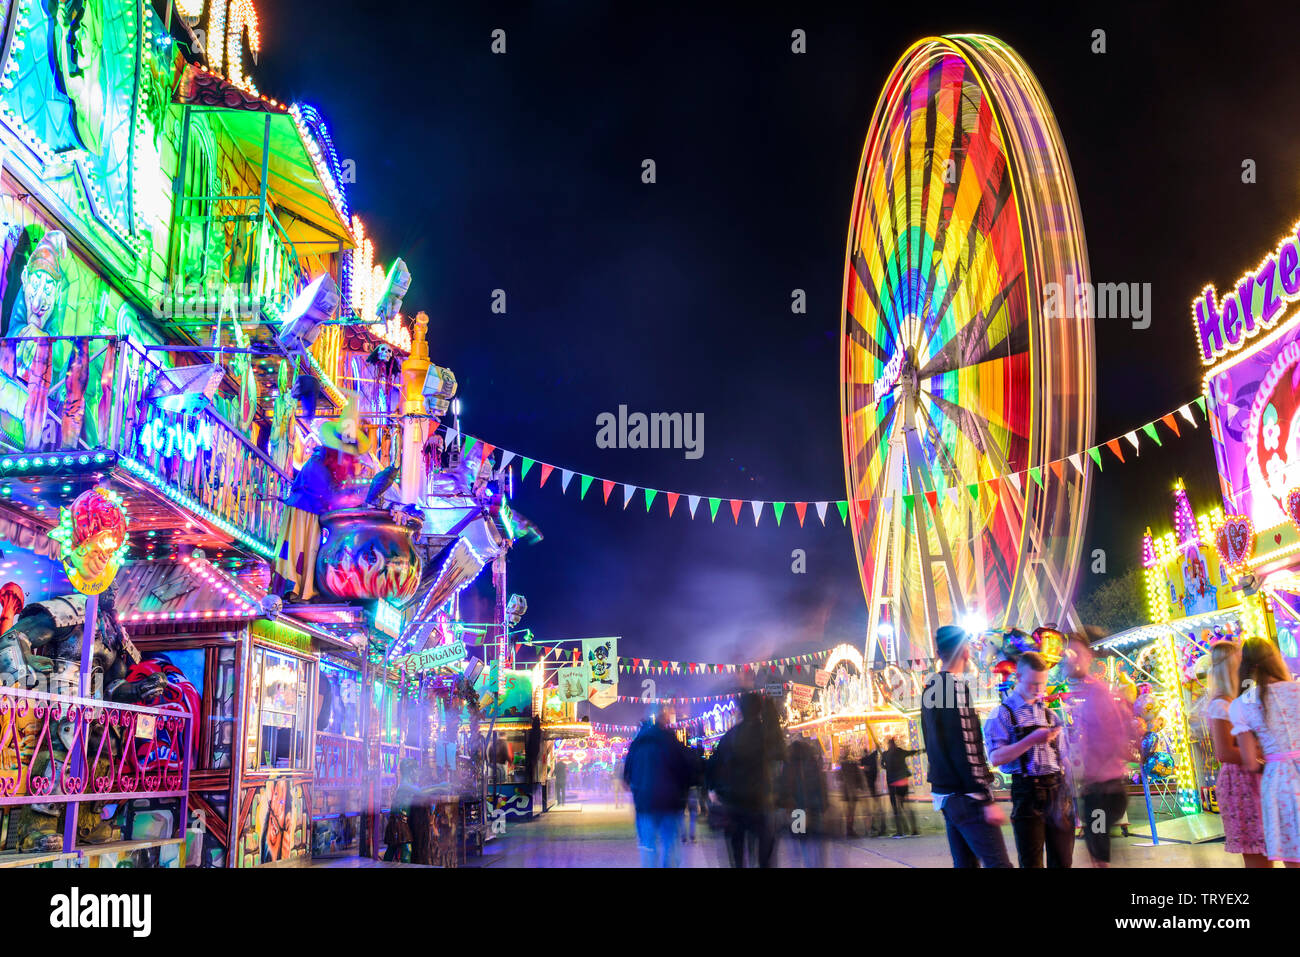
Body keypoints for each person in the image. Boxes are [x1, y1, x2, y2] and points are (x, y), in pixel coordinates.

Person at [921, 623, 1013, 868]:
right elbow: (966, 745)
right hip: (968, 796)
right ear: (964, 650)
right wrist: (985, 797)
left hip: (945, 795)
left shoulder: (931, 687)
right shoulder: (955, 687)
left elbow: (935, 744)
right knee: (999, 864)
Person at [984, 652, 1073, 868]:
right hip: (1027, 792)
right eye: (1034, 683)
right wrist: (1031, 740)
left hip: (1058, 790)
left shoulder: (1050, 714)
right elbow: (995, 757)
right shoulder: (1002, 714)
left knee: (1063, 861)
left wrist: (1074, 797)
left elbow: (1065, 759)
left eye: (1042, 683)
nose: (1039, 689)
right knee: (1031, 862)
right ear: (1019, 676)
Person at [1064, 633, 1137, 867]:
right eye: (1066, 654)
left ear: (1087, 656)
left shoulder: (1098, 693)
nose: (1068, 659)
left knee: (1099, 850)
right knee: (1097, 847)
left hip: (1104, 791)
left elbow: (1114, 736)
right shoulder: (1091, 691)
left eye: (1074, 653)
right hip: (1100, 788)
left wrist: (1096, 773)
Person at [1229, 638, 1300, 867]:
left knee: (1293, 855)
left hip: (1278, 781)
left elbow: (1250, 762)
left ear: (1248, 667)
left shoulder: (1243, 703)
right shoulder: (1296, 689)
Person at [1203, 640, 1267, 867]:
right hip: (1241, 782)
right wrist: (1261, 759)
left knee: (1263, 847)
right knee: (1255, 849)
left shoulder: (1234, 701)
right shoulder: (1221, 704)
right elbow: (1225, 752)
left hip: (1251, 778)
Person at [708, 692, 787, 867]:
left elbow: (714, 765)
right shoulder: (765, 733)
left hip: (735, 804)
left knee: (738, 856)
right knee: (765, 858)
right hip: (761, 803)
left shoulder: (731, 736)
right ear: (759, 710)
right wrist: (771, 712)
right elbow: (781, 753)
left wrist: (716, 790)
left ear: (741, 710)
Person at [622, 706, 693, 867]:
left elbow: (626, 775)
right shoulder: (670, 740)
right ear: (662, 719)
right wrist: (683, 794)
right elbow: (685, 769)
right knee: (670, 844)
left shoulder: (637, 743)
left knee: (648, 845)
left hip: (645, 802)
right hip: (669, 801)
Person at [779, 737, 828, 866]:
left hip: (798, 809)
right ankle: (815, 863)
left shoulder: (788, 766)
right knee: (816, 840)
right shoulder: (813, 764)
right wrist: (824, 804)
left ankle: (807, 863)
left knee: (801, 841)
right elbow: (821, 785)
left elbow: (784, 786)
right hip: (814, 807)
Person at [881, 736, 923, 837]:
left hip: (893, 782)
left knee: (896, 808)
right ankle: (914, 829)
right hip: (903, 782)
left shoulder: (885, 754)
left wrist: (887, 766)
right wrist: (922, 750)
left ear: (888, 744)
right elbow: (911, 752)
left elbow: (882, 765)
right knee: (906, 805)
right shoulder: (900, 752)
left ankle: (900, 831)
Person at [383, 758, 418, 862]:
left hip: (399, 821)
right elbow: (422, 792)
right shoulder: (405, 785)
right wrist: (440, 786)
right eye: (415, 770)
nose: (417, 773)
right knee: (406, 849)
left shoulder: (405, 785)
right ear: (410, 771)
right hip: (399, 822)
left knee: (392, 849)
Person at [860, 739, 886, 837]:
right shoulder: (872, 758)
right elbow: (877, 751)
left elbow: (863, 768)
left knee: (873, 808)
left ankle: (874, 827)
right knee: (876, 807)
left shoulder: (865, 761)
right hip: (874, 786)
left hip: (871, 787)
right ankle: (878, 826)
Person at [839, 746, 865, 837]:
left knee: (848, 811)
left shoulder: (842, 766)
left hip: (846, 791)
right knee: (851, 811)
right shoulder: (854, 765)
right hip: (852, 791)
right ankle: (850, 829)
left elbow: (839, 778)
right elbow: (859, 777)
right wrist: (861, 787)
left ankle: (848, 828)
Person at [683, 744, 706, 843]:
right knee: (693, 813)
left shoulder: (683, 763)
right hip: (694, 789)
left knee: (682, 813)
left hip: (683, 790)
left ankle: (683, 836)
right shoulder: (696, 762)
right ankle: (693, 835)